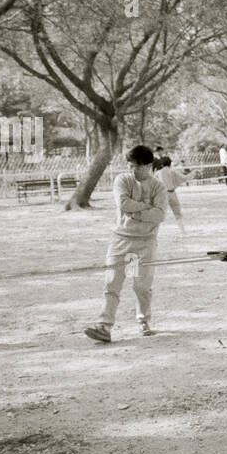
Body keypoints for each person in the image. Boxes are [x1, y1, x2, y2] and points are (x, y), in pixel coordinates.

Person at [84, 145, 167, 343]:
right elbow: (123, 204)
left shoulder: (159, 187)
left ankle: (144, 322)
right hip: (121, 240)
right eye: (131, 166)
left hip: (145, 243)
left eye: (137, 167)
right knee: (112, 283)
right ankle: (104, 327)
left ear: (148, 166)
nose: (133, 170)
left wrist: (136, 212)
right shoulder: (122, 180)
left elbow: (159, 215)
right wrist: (147, 209)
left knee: (141, 286)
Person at [154, 154, 187, 236]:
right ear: (169, 163)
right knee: (177, 213)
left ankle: (154, 231)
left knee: (158, 213)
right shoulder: (172, 171)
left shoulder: (158, 173)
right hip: (172, 193)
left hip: (163, 194)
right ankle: (183, 231)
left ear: (162, 164)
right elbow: (184, 178)